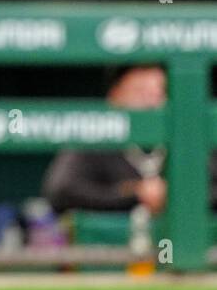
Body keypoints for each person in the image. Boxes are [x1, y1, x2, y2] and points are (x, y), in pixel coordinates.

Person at [43, 65, 217, 215]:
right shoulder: (95, 138)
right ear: (115, 96)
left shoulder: (189, 140)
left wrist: (173, 195)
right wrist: (135, 194)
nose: (151, 102)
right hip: (109, 247)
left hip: (182, 247)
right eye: (140, 92)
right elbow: (60, 191)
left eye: (160, 92)